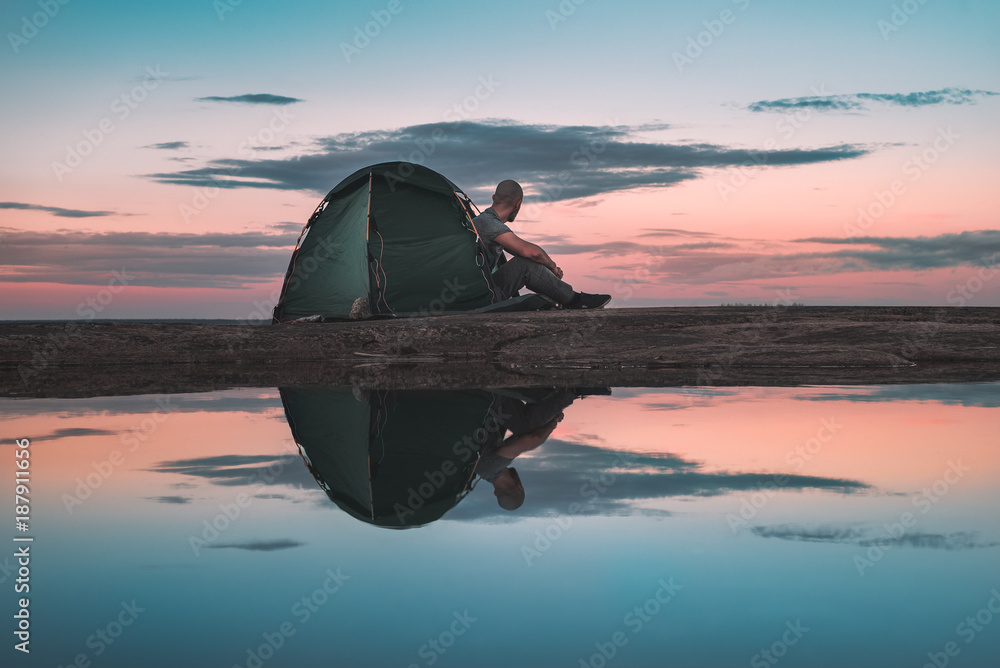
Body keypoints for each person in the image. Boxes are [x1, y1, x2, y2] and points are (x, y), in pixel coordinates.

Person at [473, 180, 612, 309]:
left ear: (493, 198)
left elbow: (521, 251)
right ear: (518, 204)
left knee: (525, 261)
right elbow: (532, 253)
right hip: (481, 296)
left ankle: (561, 298)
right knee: (524, 265)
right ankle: (575, 300)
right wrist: (552, 267)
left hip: (477, 290)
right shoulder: (489, 223)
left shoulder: (481, 221)